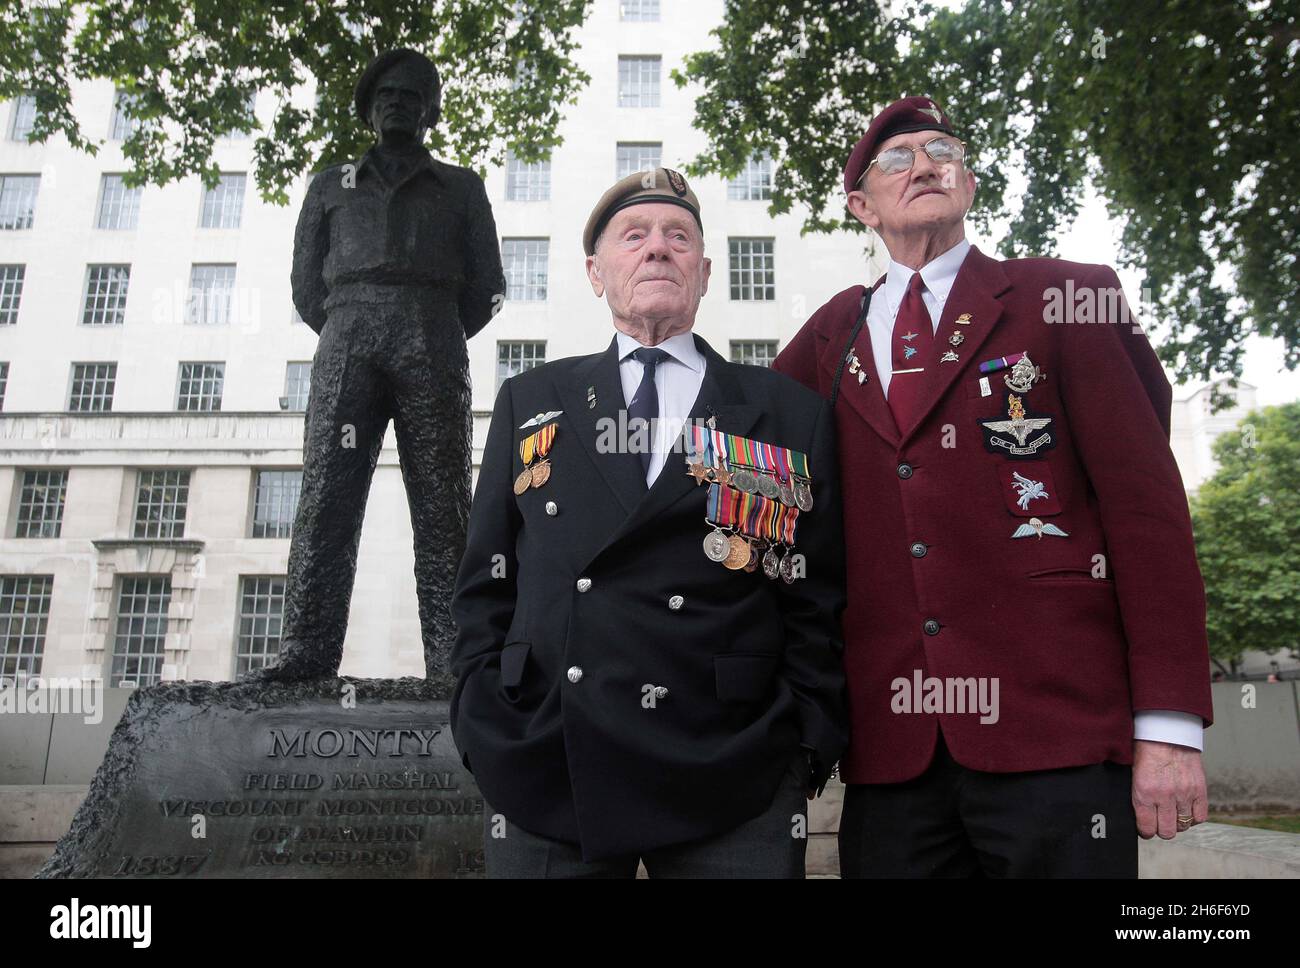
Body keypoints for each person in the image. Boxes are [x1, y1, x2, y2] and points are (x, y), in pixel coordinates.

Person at [773, 96, 1214, 877]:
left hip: (1056, 738)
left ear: (969, 182)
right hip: (893, 752)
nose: (926, 164)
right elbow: (754, 464)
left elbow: (1145, 514)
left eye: (943, 151)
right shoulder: (830, 334)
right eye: (898, 159)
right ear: (861, 207)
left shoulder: (1066, 297)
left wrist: (1170, 724)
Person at [450, 168, 848, 877]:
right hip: (549, 760)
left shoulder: (785, 412)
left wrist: (803, 740)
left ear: (705, 273)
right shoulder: (531, 399)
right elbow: (484, 581)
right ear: (596, 273)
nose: (658, 248)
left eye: (679, 237)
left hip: (734, 767)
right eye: (633, 236)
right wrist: (481, 721)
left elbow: (815, 593)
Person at [248, 48, 505, 691]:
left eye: (411, 95)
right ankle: (307, 653)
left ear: (430, 111)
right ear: (368, 109)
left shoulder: (462, 188)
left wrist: (434, 328)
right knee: (326, 497)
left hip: (432, 335)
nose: (397, 102)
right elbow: (306, 285)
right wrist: (350, 324)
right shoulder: (329, 185)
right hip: (348, 337)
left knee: (443, 505)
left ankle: (454, 658)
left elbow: (487, 287)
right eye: (385, 94)